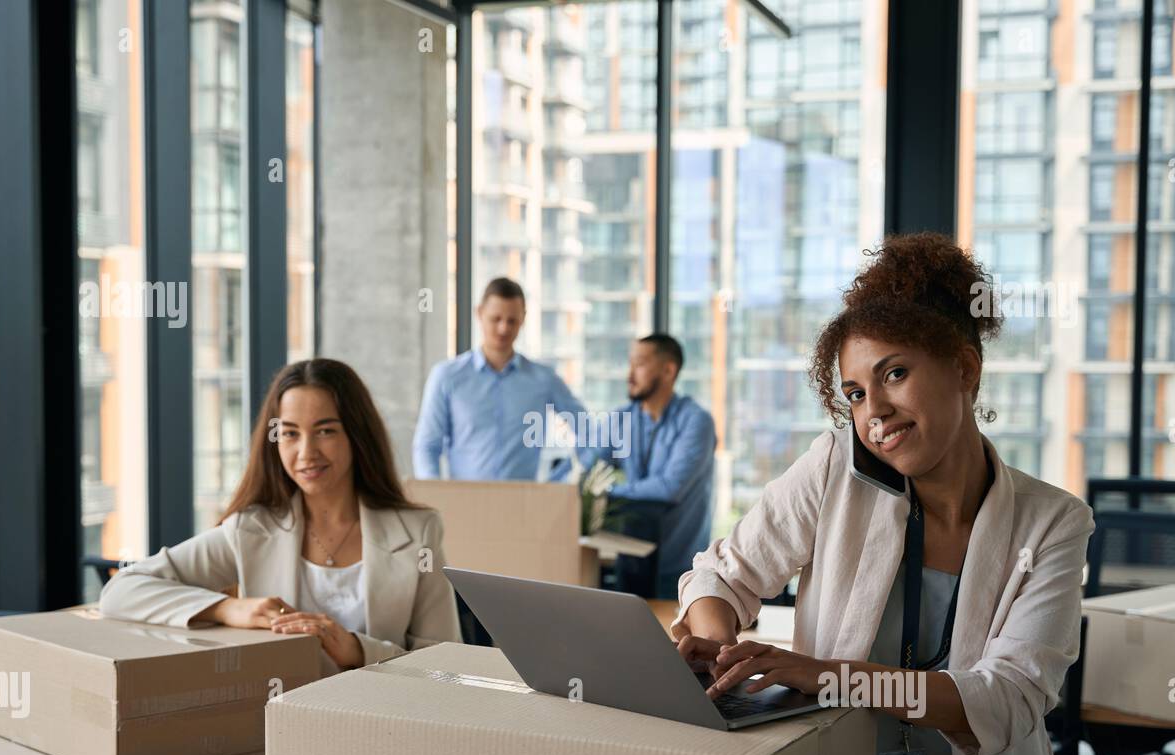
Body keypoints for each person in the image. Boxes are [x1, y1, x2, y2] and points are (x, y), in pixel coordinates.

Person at [671, 233, 1092, 755]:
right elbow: (720, 576)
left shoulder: (1053, 523)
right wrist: (722, 648)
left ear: (965, 368)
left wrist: (832, 678)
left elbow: (1008, 697)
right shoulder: (836, 468)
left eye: (895, 373)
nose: (875, 413)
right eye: (856, 393)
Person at [100, 359, 462, 676]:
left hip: (386, 730)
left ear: (356, 435)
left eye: (325, 431)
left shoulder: (417, 533)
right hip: (276, 729)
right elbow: (120, 591)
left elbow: (446, 668)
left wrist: (357, 649)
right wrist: (230, 608)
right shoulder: (251, 530)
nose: (307, 452)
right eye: (290, 433)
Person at [412, 277, 587, 481]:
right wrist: (435, 495)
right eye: (496, 319)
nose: (503, 328)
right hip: (463, 503)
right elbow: (427, 445)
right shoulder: (446, 377)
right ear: (479, 313)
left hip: (523, 505)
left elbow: (587, 430)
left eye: (512, 320)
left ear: (523, 318)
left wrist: (558, 479)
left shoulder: (544, 380)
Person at [583, 334, 715, 599]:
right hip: (630, 560)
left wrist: (608, 491)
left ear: (668, 370)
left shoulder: (696, 421)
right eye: (630, 363)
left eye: (640, 364)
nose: (630, 374)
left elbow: (669, 488)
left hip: (677, 567)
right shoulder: (620, 419)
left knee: (673, 640)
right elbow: (587, 468)